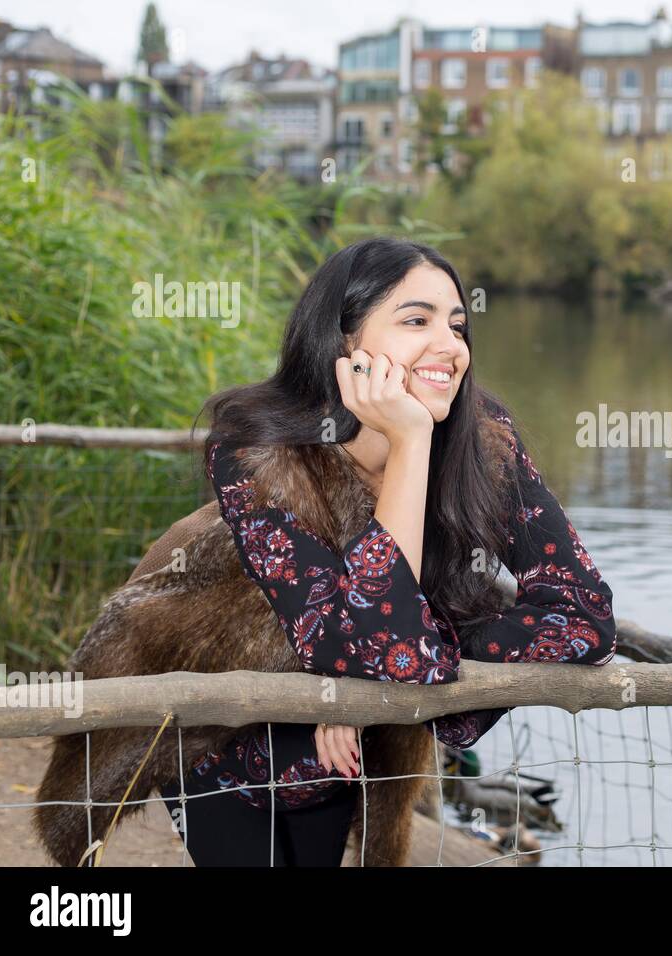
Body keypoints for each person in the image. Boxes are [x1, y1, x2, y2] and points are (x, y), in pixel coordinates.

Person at [159, 237, 617, 866]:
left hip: (343, 757)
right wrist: (407, 443)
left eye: (458, 326)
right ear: (344, 343)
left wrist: (429, 653)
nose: (450, 346)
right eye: (416, 320)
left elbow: (584, 617)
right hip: (223, 747)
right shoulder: (255, 447)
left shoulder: (482, 439)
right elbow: (370, 648)